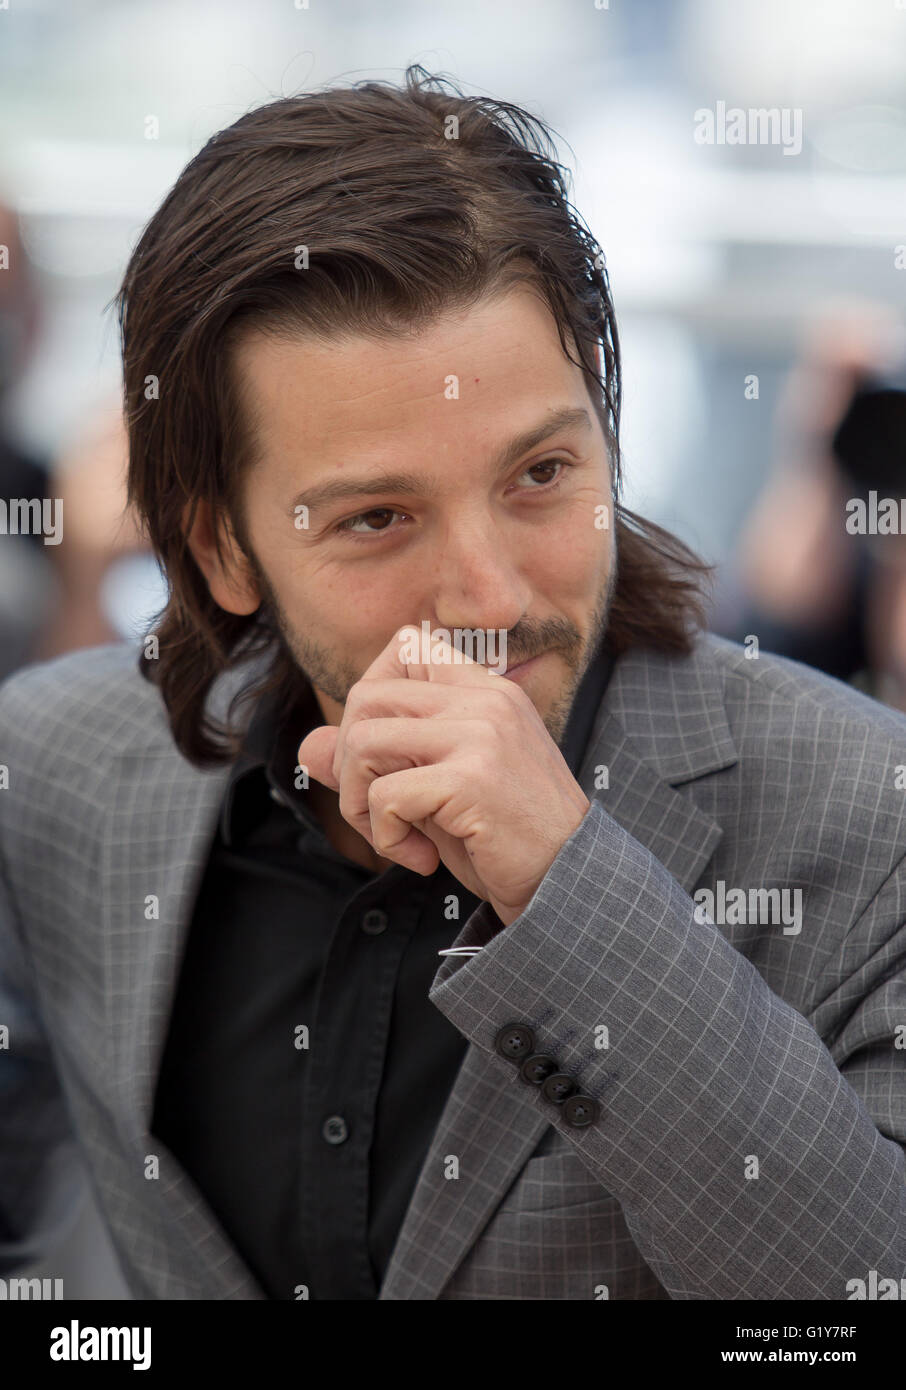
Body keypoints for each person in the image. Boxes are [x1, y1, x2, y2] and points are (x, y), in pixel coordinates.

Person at [1, 67, 904, 1302]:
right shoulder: (51, 770)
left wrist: (572, 900)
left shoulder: (864, 814)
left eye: (540, 474)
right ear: (220, 549)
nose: (490, 598)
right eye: (378, 518)